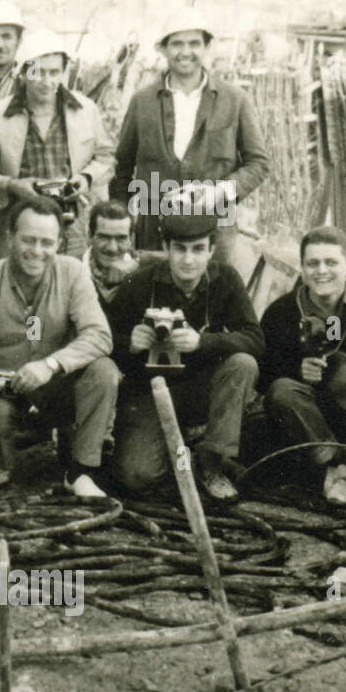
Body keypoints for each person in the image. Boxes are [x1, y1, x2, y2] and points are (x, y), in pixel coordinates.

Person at [0, 199, 117, 497]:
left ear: (59, 243)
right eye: (28, 240)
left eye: (47, 242)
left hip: (53, 387)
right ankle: (2, 452)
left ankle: (80, 470)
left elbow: (99, 335)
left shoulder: (73, 274)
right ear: (9, 237)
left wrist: (50, 365)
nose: (37, 251)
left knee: (103, 371)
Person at [105, 212, 263, 502]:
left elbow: (254, 338)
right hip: (150, 392)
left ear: (212, 250)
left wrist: (202, 341)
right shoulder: (139, 283)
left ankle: (211, 461)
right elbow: (102, 339)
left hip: (203, 390)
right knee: (137, 476)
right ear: (166, 249)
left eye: (198, 249)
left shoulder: (225, 279)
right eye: (180, 248)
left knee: (243, 363)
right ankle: (179, 450)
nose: (188, 260)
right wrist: (131, 343)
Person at [111, 7, 270, 268]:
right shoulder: (143, 102)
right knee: (152, 301)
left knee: (210, 301)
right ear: (163, 49)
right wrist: (125, 219)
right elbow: (122, 168)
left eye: (195, 43)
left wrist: (221, 192)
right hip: (155, 232)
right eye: (176, 44)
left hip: (215, 230)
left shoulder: (234, 100)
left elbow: (258, 163)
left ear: (207, 47)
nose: (186, 52)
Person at [260, 225, 346, 505]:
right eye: (313, 263)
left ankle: (345, 468)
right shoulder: (280, 313)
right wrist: (296, 369)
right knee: (282, 390)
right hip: (312, 424)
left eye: (331, 262)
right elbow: (264, 380)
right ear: (302, 269)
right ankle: (340, 468)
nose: (322, 271)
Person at [0, 29, 114, 264]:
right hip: (19, 225)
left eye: (54, 72)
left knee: (69, 287)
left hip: (73, 226)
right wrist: (12, 185)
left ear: (64, 71)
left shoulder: (86, 110)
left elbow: (107, 158)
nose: (47, 82)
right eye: (38, 72)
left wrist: (86, 178)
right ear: (24, 72)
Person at [82, 200, 147, 311]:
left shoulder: (143, 276)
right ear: (89, 236)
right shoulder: (72, 273)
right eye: (104, 237)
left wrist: (137, 264)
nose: (112, 248)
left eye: (121, 238)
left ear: (131, 239)